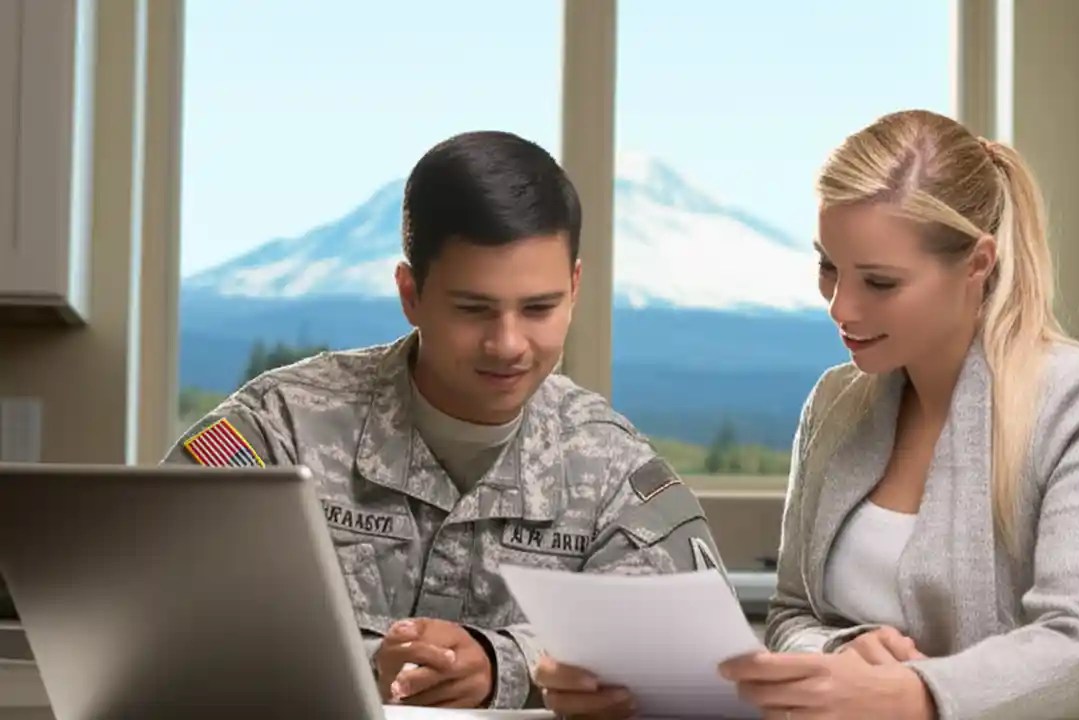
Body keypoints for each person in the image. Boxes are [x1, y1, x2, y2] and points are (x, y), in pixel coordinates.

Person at [536, 109, 1079, 720]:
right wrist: (838, 653)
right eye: (827, 268)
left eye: (880, 283)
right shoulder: (835, 406)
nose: (840, 307)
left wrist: (911, 695)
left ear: (978, 263)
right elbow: (790, 615)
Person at [163, 130, 726, 711]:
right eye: (473, 309)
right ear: (410, 293)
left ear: (575, 289)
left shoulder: (610, 467)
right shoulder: (281, 429)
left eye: (539, 308)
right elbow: (156, 611)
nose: (507, 345)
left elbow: (688, 647)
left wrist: (500, 662)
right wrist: (366, 666)